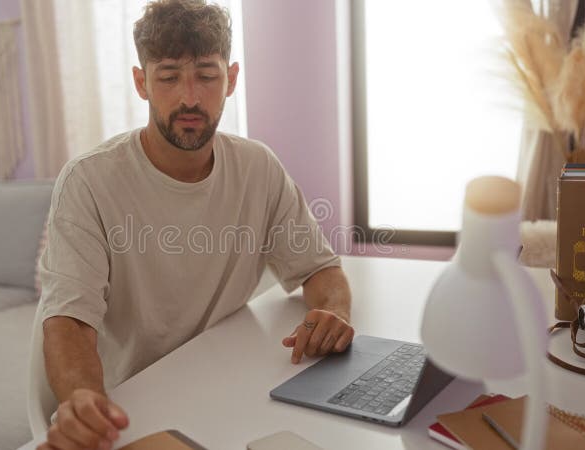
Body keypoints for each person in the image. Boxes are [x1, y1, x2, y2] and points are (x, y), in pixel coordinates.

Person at [36, 1, 353, 449]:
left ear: (232, 79)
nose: (189, 97)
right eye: (168, 77)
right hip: (133, 401)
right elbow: (69, 320)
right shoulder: (89, 182)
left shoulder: (257, 167)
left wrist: (334, 313)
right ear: (141, 82)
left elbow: (320, 268)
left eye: (206, 75)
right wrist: (83, 399)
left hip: (227, 382)